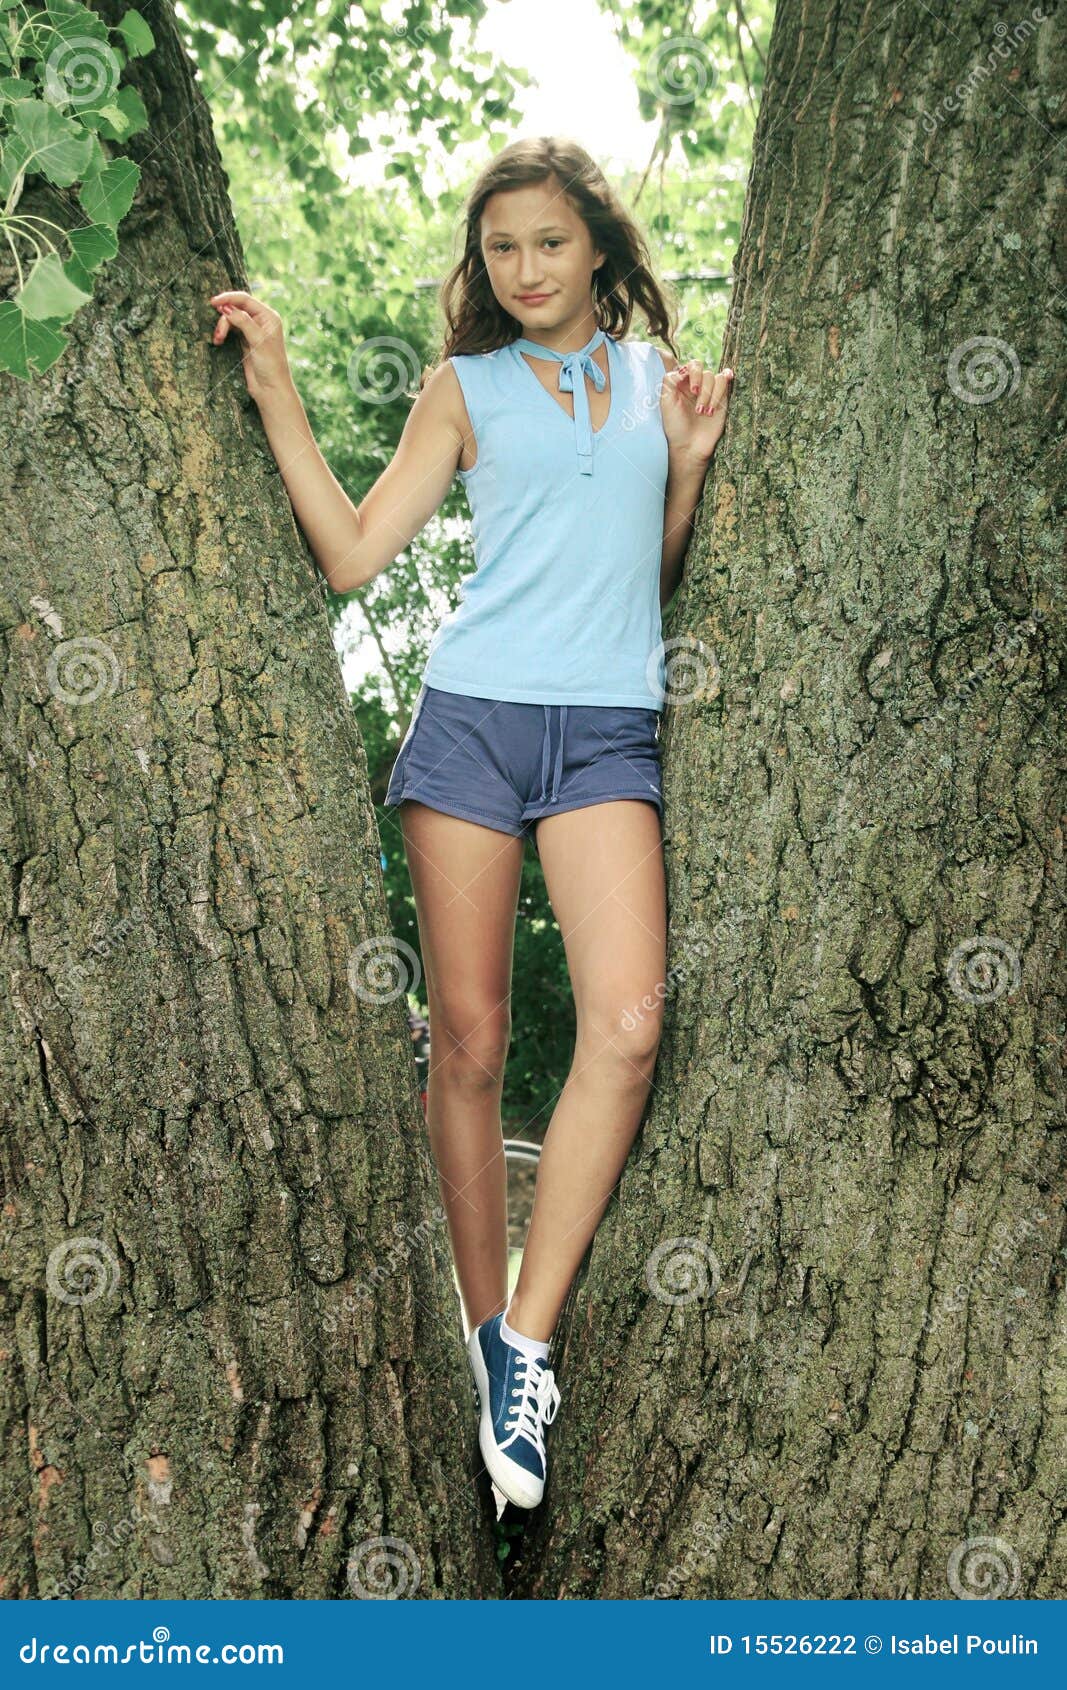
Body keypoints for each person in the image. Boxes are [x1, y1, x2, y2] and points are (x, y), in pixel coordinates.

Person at [207, 135, 732, 1511]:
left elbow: (648, 571)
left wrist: (682, 469)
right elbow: (352, 551)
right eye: (501, 247)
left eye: (550, 243)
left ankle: (529, 1344)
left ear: (601, 250)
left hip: (607, 729)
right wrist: (277, 391)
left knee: (626, 1026)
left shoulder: (649, 385)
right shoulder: (465, 388)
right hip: (473, 727)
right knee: (472, 1039)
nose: (525, 268)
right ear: (481, 264)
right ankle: (478, 1320)